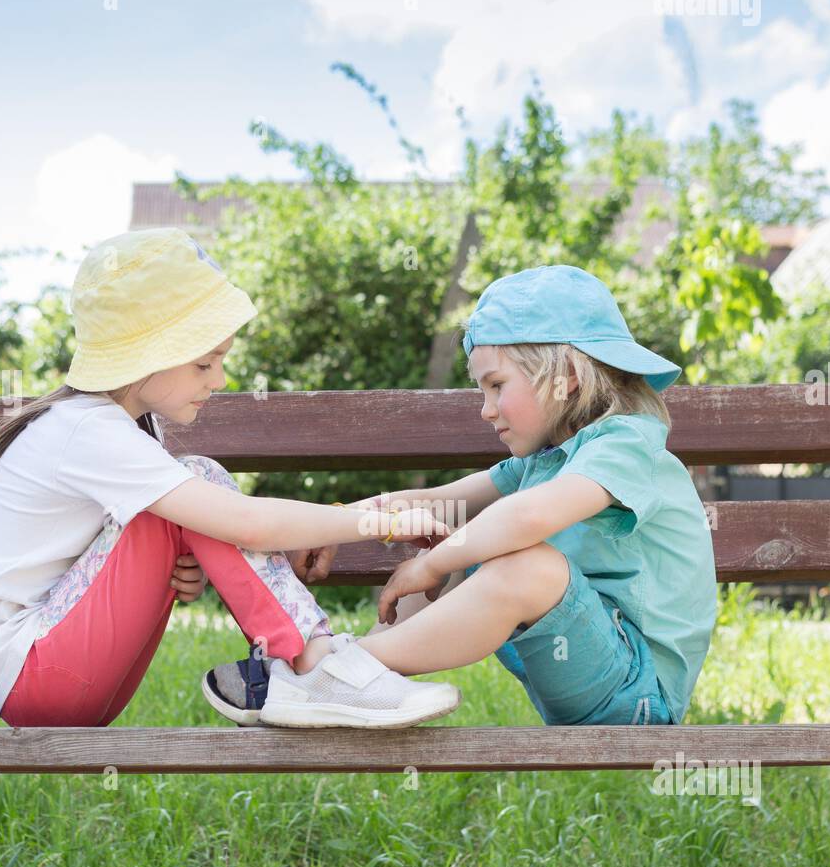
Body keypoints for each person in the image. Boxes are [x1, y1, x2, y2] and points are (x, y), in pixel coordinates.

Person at [0, 227, 460, 730]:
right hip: (36, 673)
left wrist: (173, 561)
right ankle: (315, 664)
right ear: (146, 356)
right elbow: (247, 524)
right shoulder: (85, 428)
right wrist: (375, 521)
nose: (218, 380)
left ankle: (308, 669)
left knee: (186, 494)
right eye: (204, 363)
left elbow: (166, 542)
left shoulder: (113, 429)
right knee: (199, 477)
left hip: (57, 674)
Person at [204, 264, 717, 729]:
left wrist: (436, 565)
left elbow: (528, 517)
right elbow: (438, 503)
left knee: (519, 560)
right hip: (589, 665)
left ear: (567, 378)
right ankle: (348, 678)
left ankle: (344, 669)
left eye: (496, 386)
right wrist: (337, 521)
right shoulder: (545, 462)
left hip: (638, 696)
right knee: (449, 535)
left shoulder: (626, 444)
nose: (486, 409)